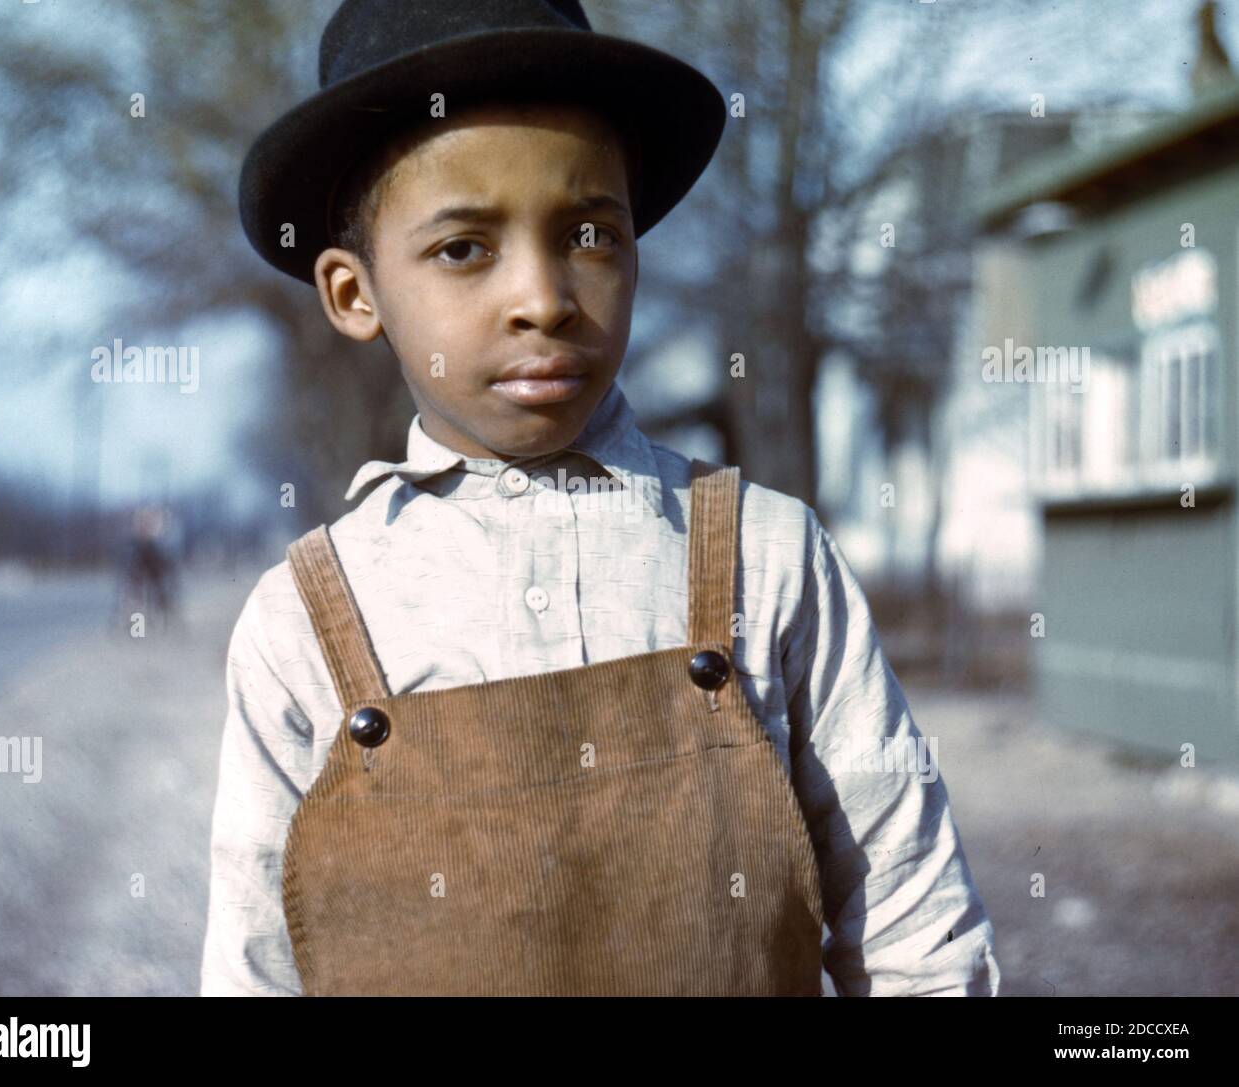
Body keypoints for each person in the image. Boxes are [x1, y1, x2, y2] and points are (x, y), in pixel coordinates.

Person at [201, 0, 1000, 996]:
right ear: (355, 294)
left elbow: (915, 930)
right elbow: (253, 970)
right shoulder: (305, 623)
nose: (544, 296)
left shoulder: (768, 555)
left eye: (588, 233)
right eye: (463, 248)